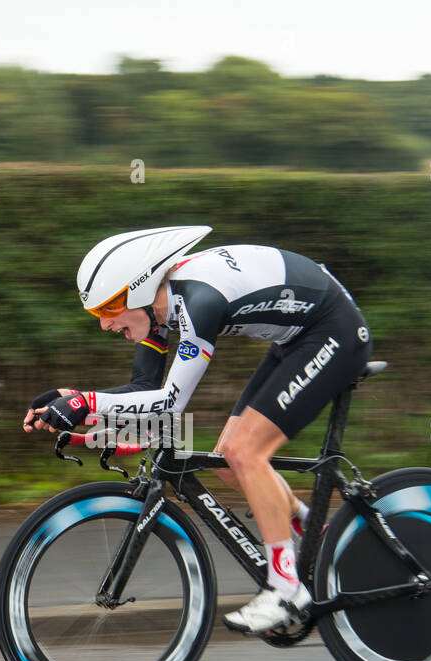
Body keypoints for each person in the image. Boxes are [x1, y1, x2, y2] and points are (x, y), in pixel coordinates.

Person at [23, 226, 372, 635]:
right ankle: (318, 533)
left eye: (109, 308)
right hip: (298, 338)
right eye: (97, 314)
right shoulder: (157, 312)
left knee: (245, 453)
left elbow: (170, 403)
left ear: (138, 289)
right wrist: (75, 400)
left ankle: (285, 589)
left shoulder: (199, 301)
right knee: (227, 461)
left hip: (334, 332)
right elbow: (145, 392)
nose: (105, 325)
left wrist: (87, 405)